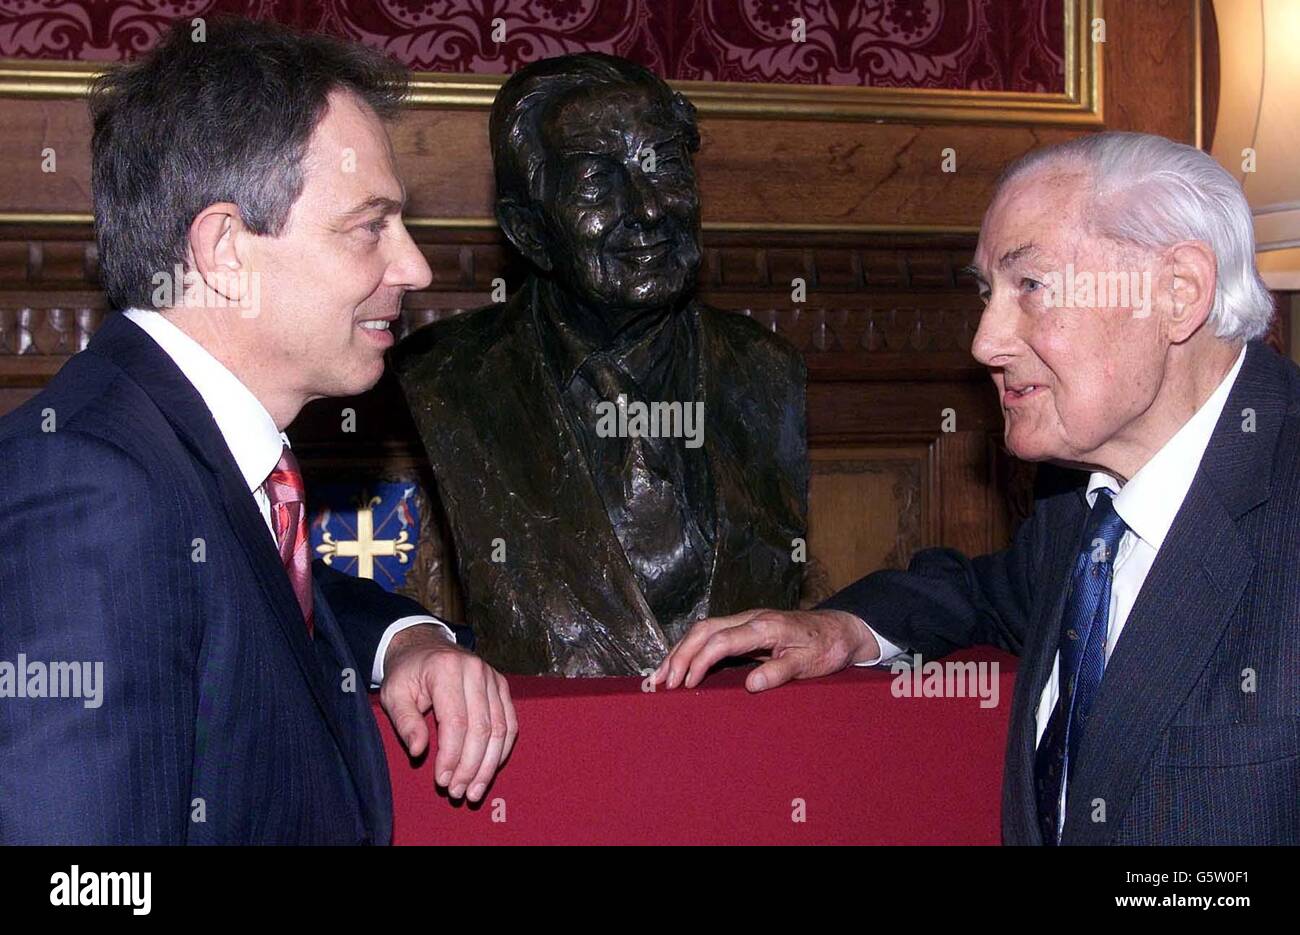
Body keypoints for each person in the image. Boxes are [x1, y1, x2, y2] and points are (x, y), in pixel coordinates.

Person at [656, 131, 1300, 846]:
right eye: (990, 293)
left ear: (1178, 292)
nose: (985, 341)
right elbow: (987, 596)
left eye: (1031, 287)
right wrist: (842, 630)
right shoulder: (1080, 504)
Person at [0, 17, 515, 844]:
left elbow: (247, 604)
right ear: (227, 252)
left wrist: (404, 638)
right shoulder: (92, 489)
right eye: (369, 225)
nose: (415, 267)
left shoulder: (176, 453)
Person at [392, 54, 807, 677]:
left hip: (745, 745)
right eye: (595, 182)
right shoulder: (447, 380)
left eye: (664, 166)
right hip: (555, 753)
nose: (647, 209)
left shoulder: (766, 372)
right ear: (527, 230)